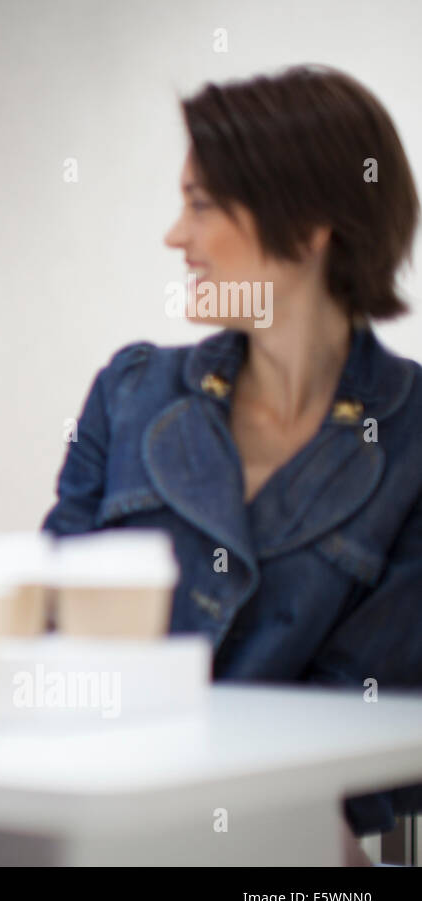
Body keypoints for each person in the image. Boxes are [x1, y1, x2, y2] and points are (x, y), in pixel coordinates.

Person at [43, 64, 422, 854]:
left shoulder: (413, 432)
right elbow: (57, 622)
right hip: (100, 828)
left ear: (311, 221)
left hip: (289, 860)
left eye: (201, 204)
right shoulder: (131, 388)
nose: (175, 236)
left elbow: (371, 712)